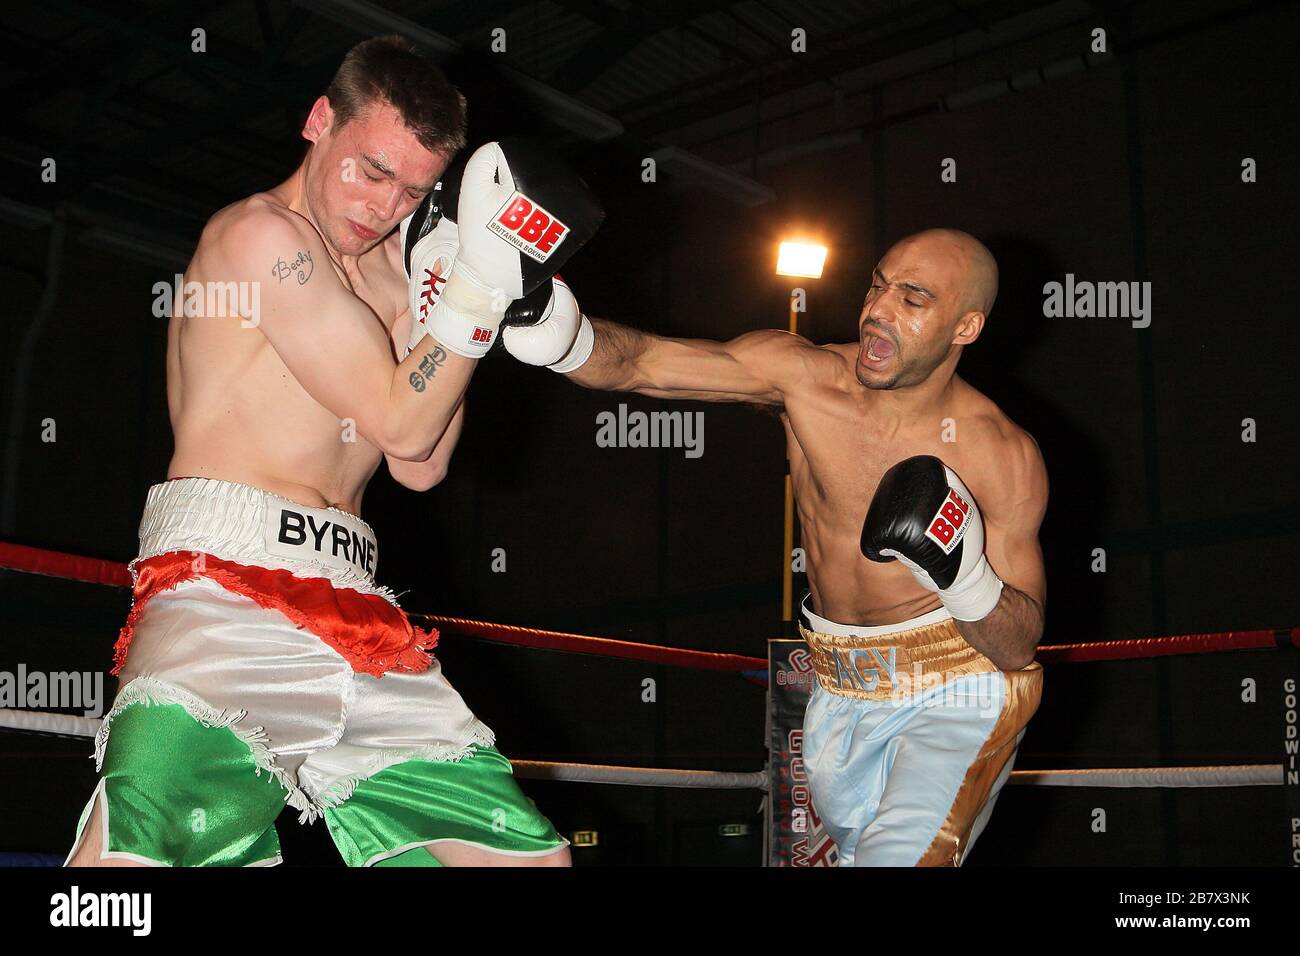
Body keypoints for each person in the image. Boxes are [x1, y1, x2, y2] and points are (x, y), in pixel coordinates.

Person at [66, 35, 599, 868]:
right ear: (320, 120)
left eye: (413, 191)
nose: (383, 206)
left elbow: (419, 465)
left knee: (525, 858)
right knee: (141, 858)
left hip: (353, 603)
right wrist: (479, 292)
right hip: (225, 590)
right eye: (370, 171)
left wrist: (451, 298)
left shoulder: (396, 269)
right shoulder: (255, 238)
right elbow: (402, 421)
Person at [502, 228, 1047, 866]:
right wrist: (555, 327)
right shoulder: (807, 378)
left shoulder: (1000, 455)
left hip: (955, 691)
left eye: (914, 298)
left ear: (966, 327)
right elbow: (643, 362)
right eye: (877, 284)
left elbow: (1018, 645)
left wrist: (966, 577)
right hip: (838, 688)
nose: (878, 309)